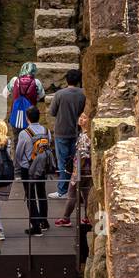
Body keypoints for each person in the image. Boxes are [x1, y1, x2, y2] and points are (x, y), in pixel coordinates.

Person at [49, 68, 86, 198]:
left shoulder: (60, 94)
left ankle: (62, 190)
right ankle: (75, 190)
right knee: (76, 162)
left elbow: (52, 112)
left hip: (61, 131)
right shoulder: (83, 94)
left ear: (67, 80)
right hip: (77, 131)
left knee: (63, 162)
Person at [14, 105, 52, 235]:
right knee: (42, 193)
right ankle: (44, 221)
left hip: (28, 168)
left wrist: (19, 166)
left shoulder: (24, 133)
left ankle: (35, 226)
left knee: (30, 196)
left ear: (27, 118)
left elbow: (18, 153)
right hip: (42, 167)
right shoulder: (47, 131)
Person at [55, 111, 90, 228]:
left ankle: (66, 218)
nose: (81, 119)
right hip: (86, 170)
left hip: (81, 170)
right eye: (80, 117)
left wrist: (76, 171)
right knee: (86, 195)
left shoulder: (84, 136)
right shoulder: (83, 134)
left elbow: (84, 155)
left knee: (71, 194)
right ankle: (87, 217)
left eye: (84, 118)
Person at [5, 61, 44, 132]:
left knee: (16, 138)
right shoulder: (37, 82)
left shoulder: (14, 80)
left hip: (16, 114)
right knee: (31, 137)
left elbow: (4, 94)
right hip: (31, 116)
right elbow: (41, 96)